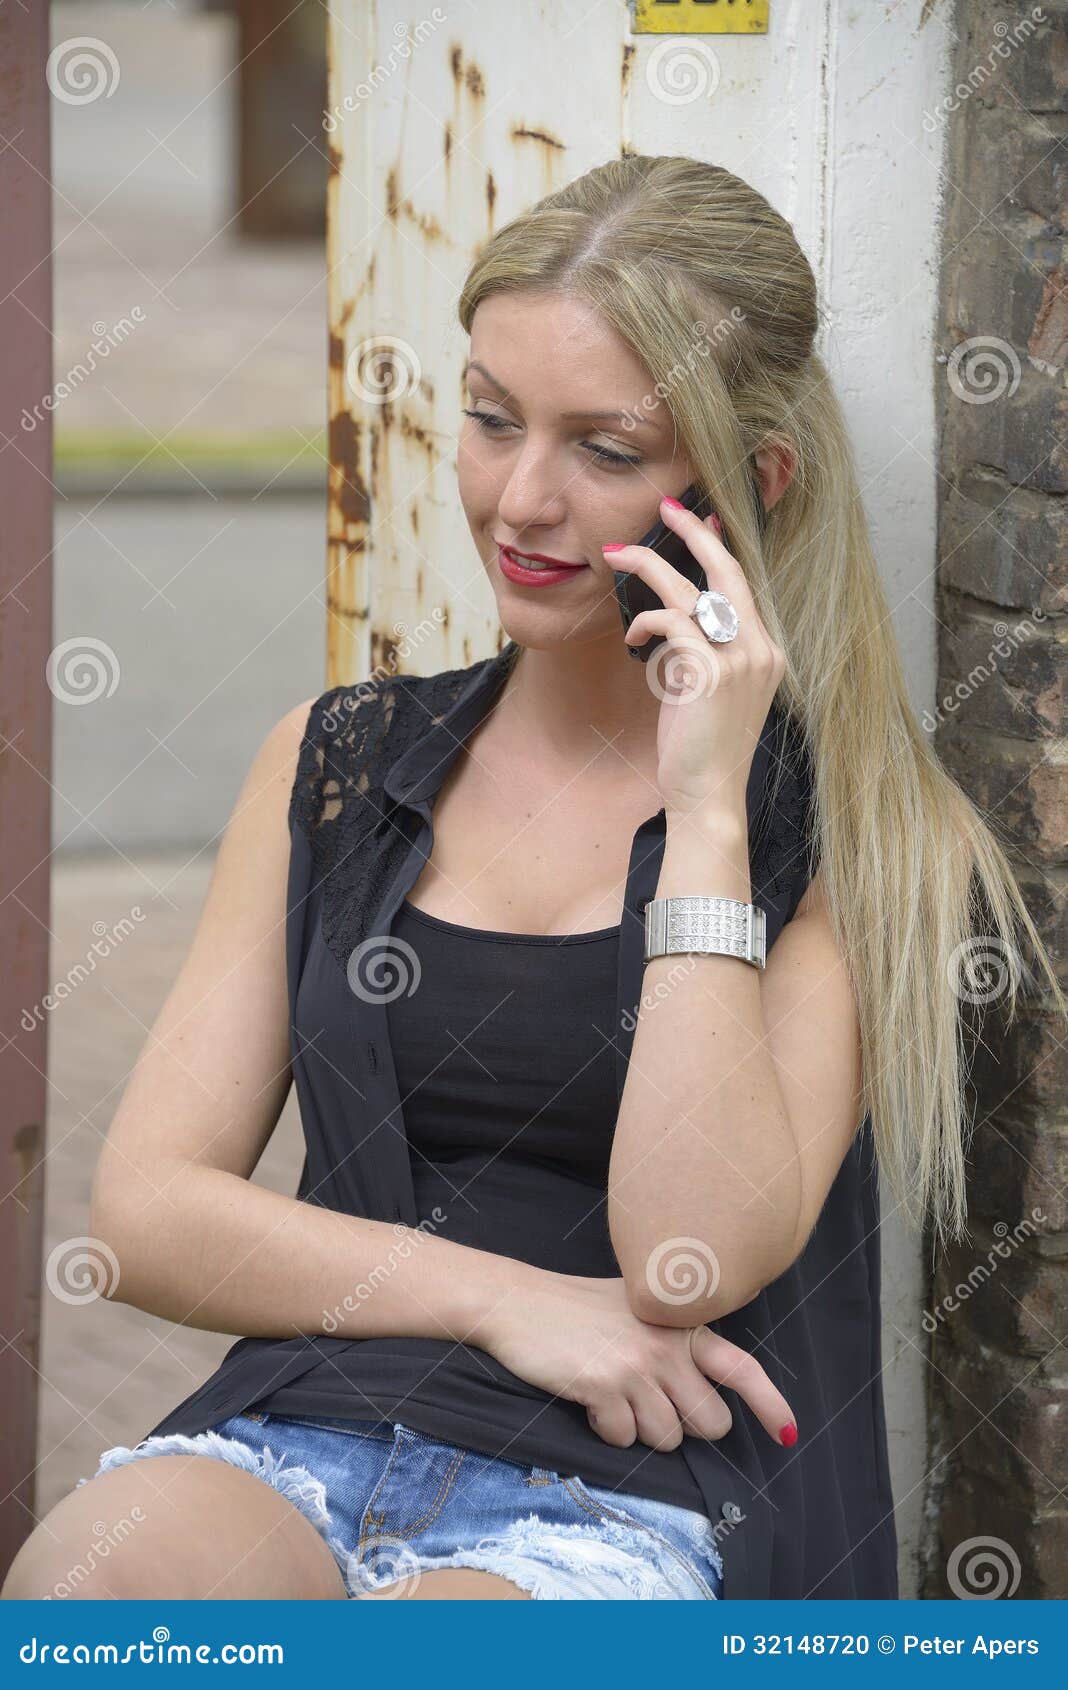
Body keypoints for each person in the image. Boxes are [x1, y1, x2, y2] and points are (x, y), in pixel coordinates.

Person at [5, 155, 1063, 1603]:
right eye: (492, 419)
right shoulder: (338, 765)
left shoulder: (862, 832)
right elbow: (141, 1218)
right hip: (311, 1434)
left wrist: (705, 814)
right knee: (90, 1597)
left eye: (605, 449)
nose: (522, 496)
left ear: (743, 488)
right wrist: (512, 1302)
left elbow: (686, 1261)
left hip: (640, 1502)